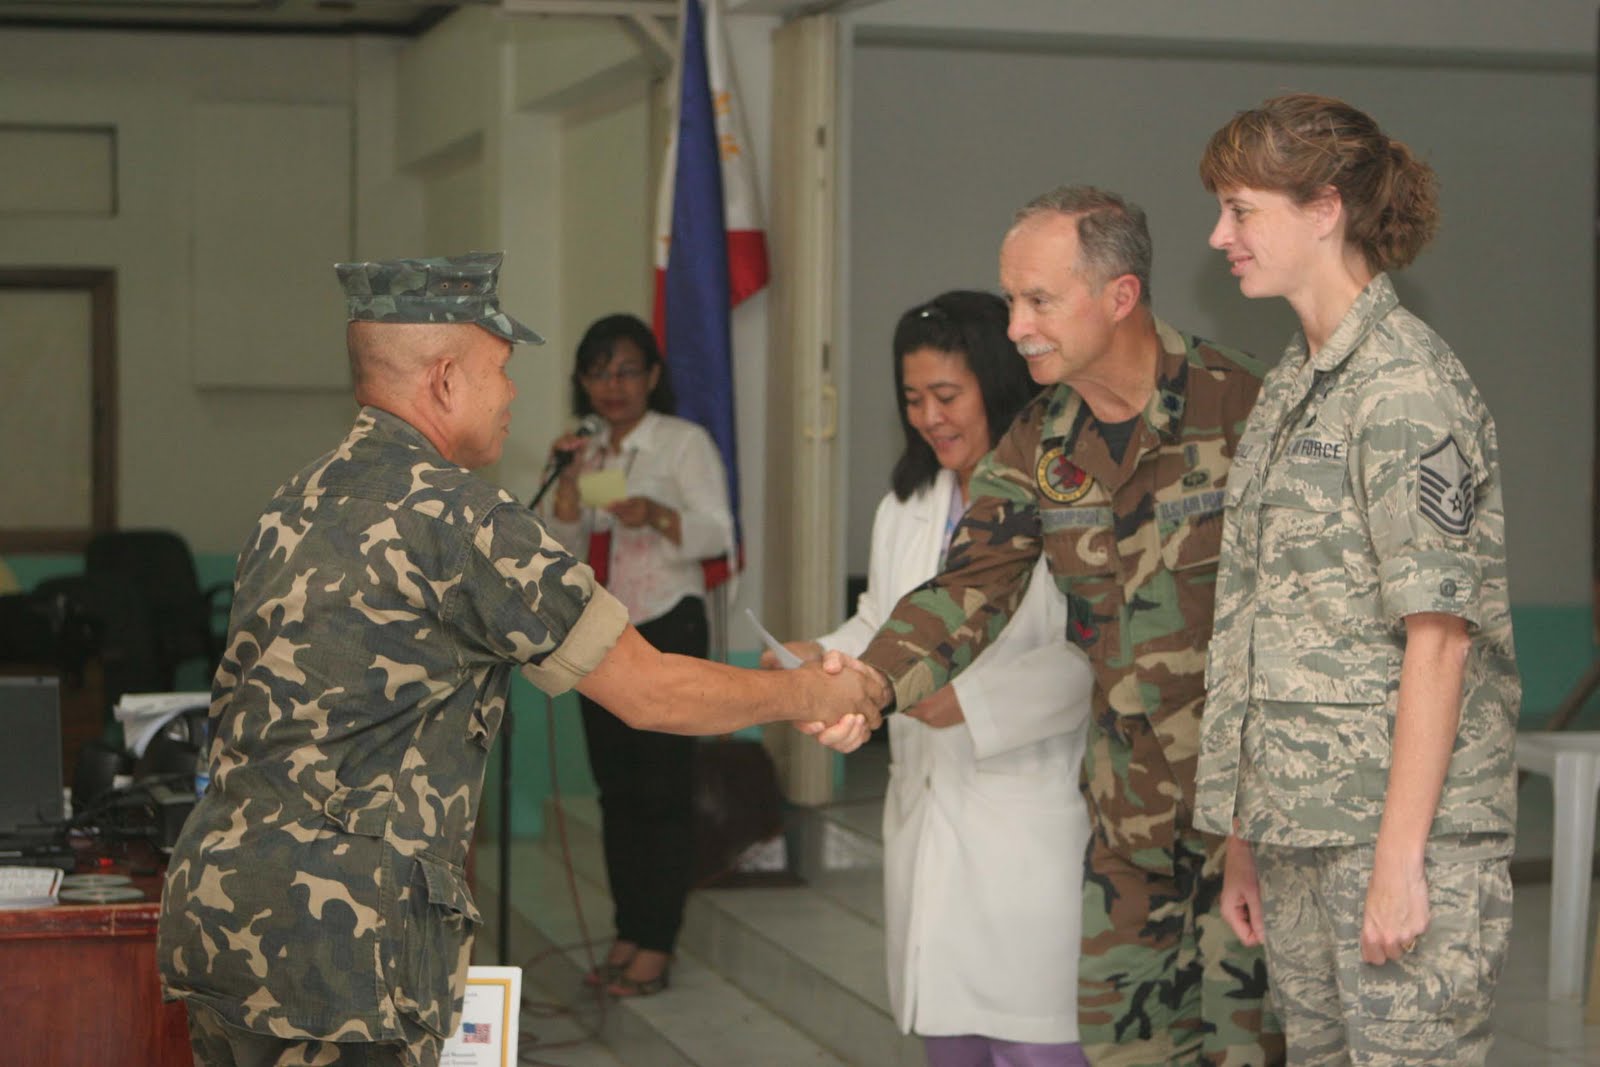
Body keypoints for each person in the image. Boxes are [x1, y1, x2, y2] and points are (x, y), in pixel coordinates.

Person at [154, 252, 886, 1067]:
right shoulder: (461, 516)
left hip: (218, 910)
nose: (511, 394)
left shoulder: (293, 497)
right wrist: (811, 695)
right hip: (344, 952)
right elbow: (652, 693)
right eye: (499, 369)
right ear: (442, 381)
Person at [818, 187, 1285, 1066]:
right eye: (1010, 301)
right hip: (1127, 843)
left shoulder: (1249, 407)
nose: (1018, 325)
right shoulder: (1038, 441)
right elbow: (968, 589)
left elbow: (1310, 620)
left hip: (1250, 833)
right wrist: (873, 683)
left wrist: (1262, 826)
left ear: (1120, 296)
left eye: (1038, 300)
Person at [1193, 94, 1519, 1066]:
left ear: (1323, 208)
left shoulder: (1405, 387)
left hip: (1398, 839)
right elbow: (1265, 620)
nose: (1219, 236)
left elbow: (1440, 634)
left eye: (1241, 209)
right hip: (1299, 832)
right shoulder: (1296, 382)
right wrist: (1247, 832)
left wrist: (1398, 859)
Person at [773, 290, 1094, 1065]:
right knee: (949, 1034)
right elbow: (885, 622)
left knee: (1035, 1035)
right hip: (926, 810)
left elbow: (1092, 655)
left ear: (999, 383)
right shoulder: (907, 505)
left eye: (947, 395)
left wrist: (970, 703)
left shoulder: (1067, 498)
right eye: (912, 398)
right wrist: (818, 655)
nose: (928, 416)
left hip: (1027, 819)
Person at [540, 313, 733, 997]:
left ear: (653, 375)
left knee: (662, 793)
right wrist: (567, 489)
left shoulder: (682, 442)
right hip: (599, 631)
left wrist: (654, 512)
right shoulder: (579, 447)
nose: (612, 384)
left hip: (667, 624)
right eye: (598, 371)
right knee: (617, 793)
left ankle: (657, 940)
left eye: (626, 369)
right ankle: (627, 928)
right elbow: (556, 549)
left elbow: (718, 533)